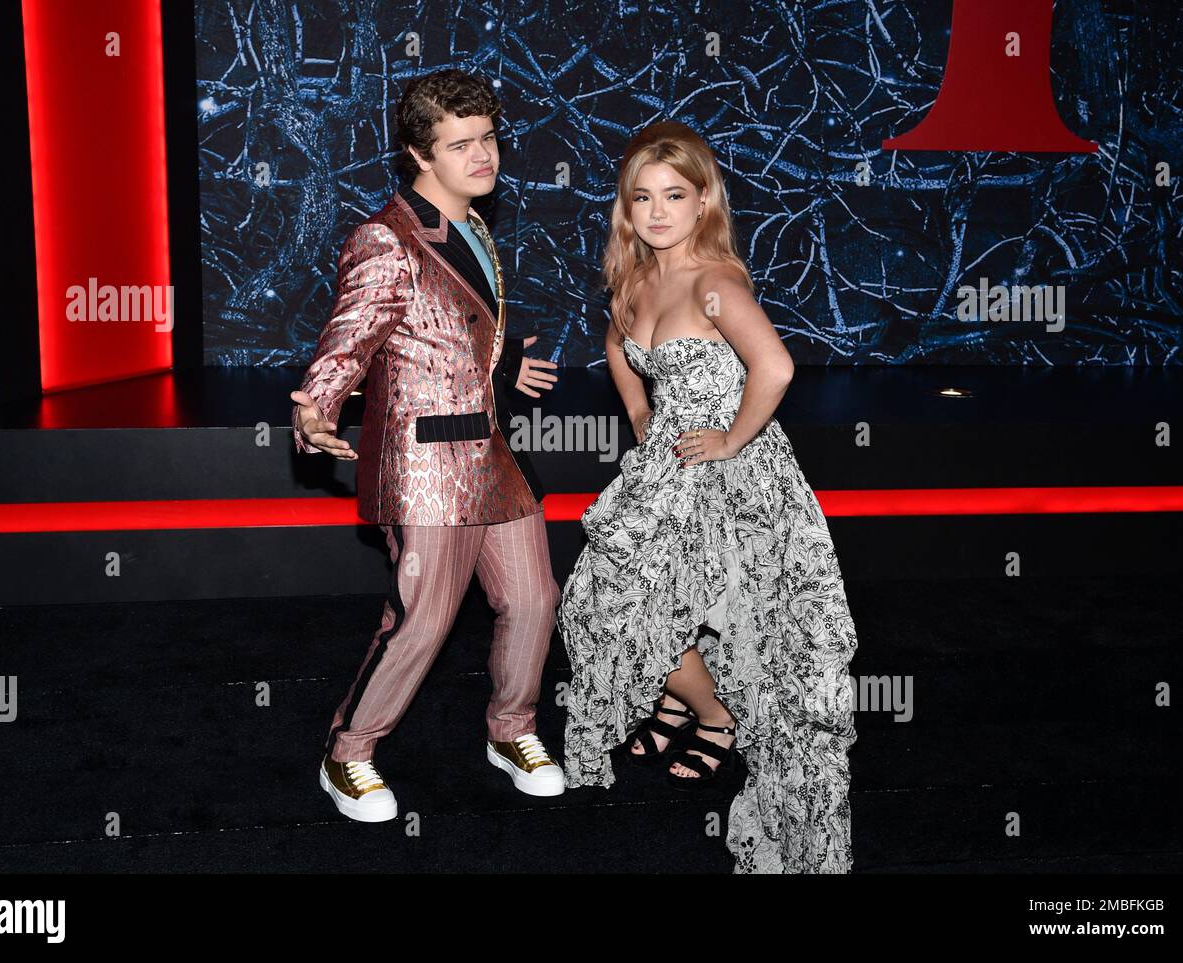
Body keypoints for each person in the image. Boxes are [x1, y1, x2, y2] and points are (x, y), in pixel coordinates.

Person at [556, 120, 859, 873]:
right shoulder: (636, 279)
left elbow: (778, 369)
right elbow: (622, 348)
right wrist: (643, 423)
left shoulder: (714, 281)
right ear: (627, 209)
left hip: (736, 478)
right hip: (670, 469)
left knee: (726, 619)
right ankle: (688, 701)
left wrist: (729, 437)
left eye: (675, 196)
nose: (657, 211)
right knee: (604, 601)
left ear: (702, 203)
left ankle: (716, 714)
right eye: (642, 197)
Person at [291, 68, 564, 823]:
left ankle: (512, 731)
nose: (484, 156)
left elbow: (454, 322)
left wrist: (505, 364)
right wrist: (317, 407)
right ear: (419, 155)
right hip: (426, 467)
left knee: (536, 599)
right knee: (424, 617)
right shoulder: (385, 238)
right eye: (462, 145)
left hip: (493, 455)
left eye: (489, 139)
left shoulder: (475, 225)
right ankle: (348, 753)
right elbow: (352, 337)